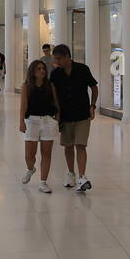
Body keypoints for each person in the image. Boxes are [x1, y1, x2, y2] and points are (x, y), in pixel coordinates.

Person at [50, 44, 98, 192]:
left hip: (82, 114)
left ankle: (82, 176)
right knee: (68, 145)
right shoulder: (55, 74)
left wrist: (92, 105)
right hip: (65, 116)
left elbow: (94, 87)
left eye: (58, 58)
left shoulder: (83, 69)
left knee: (81, 145)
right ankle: (71, 173)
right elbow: (54, 94)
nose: (56, 61)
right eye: (55, 59)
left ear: (67, 56)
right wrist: (56, 113)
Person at [18, 59, 61, 193]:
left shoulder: (50, 85)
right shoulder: (26, 86)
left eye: (43, 68)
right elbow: (23, 106)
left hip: (48, 121)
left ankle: (43, 182)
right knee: (29, 155)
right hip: (32, 121)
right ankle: (30, 169)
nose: (42, 71)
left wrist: (57, 119)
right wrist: (21, 121)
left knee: (46, 153)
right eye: (38, 69)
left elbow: (56, 102)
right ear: (33, 72)